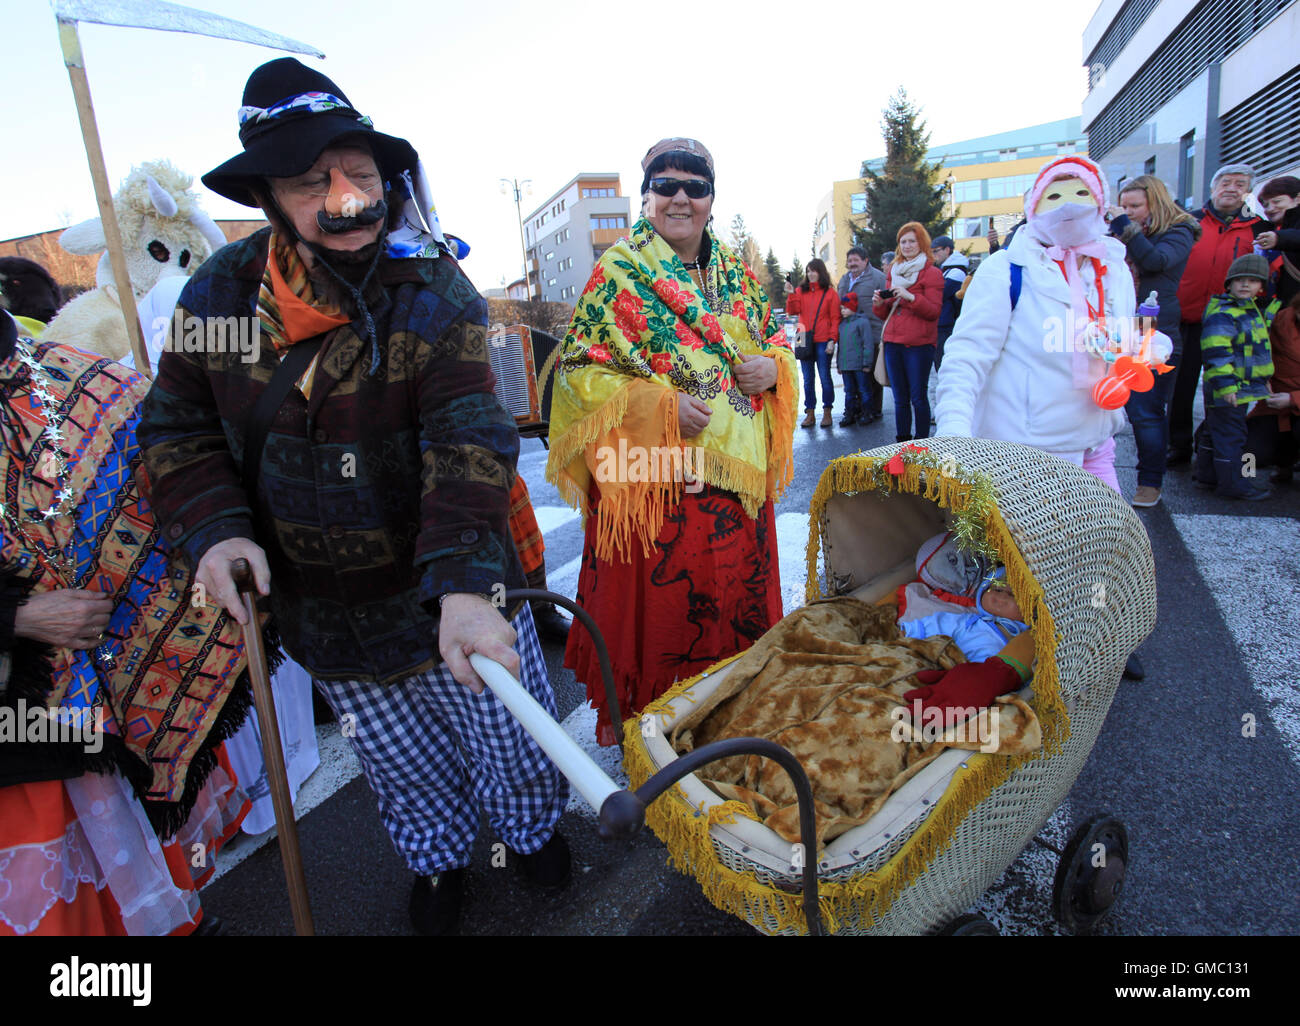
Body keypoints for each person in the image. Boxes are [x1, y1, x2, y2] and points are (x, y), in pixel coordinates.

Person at [137, 58, 569, 936]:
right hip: (323, 615)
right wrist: (217, 532)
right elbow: (174, 427)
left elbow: (468, 436)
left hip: (454, 594)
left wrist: (459, 583)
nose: (345, 199)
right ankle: (441, 864)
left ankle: (527, 836)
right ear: (267, 195)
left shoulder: (430, 286)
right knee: (401, 766)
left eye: (362, 175)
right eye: (311, 181)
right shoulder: (218, 294)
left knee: (512, 742)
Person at [1, 311, 248, 935]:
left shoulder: (83, 383)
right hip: (21, 730)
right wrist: (17, 615)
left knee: (132, 888)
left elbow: (189, 466)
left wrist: (224, 537)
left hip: (107, 719)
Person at [545, 136, 796, 747]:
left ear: (712, 197)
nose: (681, 197)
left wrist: (775, 368)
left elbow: (772, 340)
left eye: (696, 186)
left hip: (736, 502)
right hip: (657, 494)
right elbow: (577, 372)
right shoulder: (619, 273)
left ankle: (727, 727)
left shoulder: (737, 274)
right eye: (666, 184)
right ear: (647, 194)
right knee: (667, 622)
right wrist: (655, 407)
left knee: (733, 613)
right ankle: (655, 743)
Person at [935, 155, 1138, 490]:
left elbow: (1115, 343)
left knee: (1111, 541)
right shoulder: (1006, 269)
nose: (1068, 206)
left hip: (1097, 445)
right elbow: (967, 355)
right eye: (1054, 196)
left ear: (1101, 203)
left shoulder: (1113, 268)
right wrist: (954, 429)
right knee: (1026, 544)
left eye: (1081, 194)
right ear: (1034, 206)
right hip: (1025, 456)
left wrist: (1139, 348)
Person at [1105, 174, 1199, 507]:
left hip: (1155, 335)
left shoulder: (1180, 231)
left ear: (1154, 203)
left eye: (1135, 206)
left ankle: (1149, 482)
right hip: (1117, 330)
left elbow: (1156, 262)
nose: (1128, 212)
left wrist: (1122, 227)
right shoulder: (1122, 233)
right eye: (1124, 205)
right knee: (1102, 404)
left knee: (1146, 413)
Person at [1167, 163, 1269, 466]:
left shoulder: (1259, 229)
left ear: (1248, 191)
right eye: (1225, 182)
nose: (1231, 188)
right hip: (1188, 317)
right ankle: (1179, 444)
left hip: (1234, 324)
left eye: (1240, 183)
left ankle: (1212, 445)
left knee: (1228, 389)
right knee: (1180, 389)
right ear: (1213, 188)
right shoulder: (1187, 222)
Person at [1194, 254, 1278, 500]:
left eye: (1252, 281)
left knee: (1215, 429)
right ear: (1228, 284)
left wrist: (1264, 380)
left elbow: (1257, 353)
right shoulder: (1225, 313)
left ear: (1261, 287)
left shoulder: (1249, 310)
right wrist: (1226, 385)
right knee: (1232, 434)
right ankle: (1233, 484)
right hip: (1230, 387)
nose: (1245, 285)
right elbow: (1217, 352)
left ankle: (1207, 475)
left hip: (1241, 385)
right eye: (1239, 280)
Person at [873, 222, 943, 442]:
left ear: (921, 242)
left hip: (919, 345)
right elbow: (885, 314)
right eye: (903, 241)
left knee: (918, 397)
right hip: (894, 342)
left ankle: (922, 443)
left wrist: (911, 296)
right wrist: (879, 303)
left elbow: (933, 311)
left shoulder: (932, 273)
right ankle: (902, 443)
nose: (907, 245)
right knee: (899, 398)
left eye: (912, 240)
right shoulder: (894, 271)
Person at [1246, 288, 1300, 483]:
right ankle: (1246, 480)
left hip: (1291, 403)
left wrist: (1293, 399)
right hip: (1274, 406)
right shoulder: (1277, 322)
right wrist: (1261, 381)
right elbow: (1256, 355)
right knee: (1249, 452)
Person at [784, 258, 840, 427]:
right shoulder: (801, 291)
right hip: (802, 336)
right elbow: (792, 311)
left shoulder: (830, 293)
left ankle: (827, 412)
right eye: (808, 271)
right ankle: (810, 413)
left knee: (824, 377)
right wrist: (791, 293)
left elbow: (835, 318)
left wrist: (832, 339)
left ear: (821, 272)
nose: (811, 274)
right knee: (807, 379)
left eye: (814, 270)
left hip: (823, 339)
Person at [835, 246, 886, 425]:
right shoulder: (843, 279)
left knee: (871, 377)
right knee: (854, 381)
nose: (852, 264)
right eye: (850, 261)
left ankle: (873, 410)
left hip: (872, 332)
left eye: (856, 260)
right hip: (849, 332)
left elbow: (886, 304)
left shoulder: (878, 277)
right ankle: (855, 409)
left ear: (865, 261)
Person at [1256, 175, 1300, 308]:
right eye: (1266, 204)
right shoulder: (1270, 228)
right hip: (1281, 310)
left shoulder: (1278, 233)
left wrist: (1279, 238)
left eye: (1277, 201)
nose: (1270, 208)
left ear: (1298, 198)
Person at [931, 235, 969, 369]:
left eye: (936, 251)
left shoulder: (956, 272)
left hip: (948, 325)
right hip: (942, 324)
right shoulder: (946, 270)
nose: (933, 255)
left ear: (947, 250)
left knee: (943, 364)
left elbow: (939, 295)